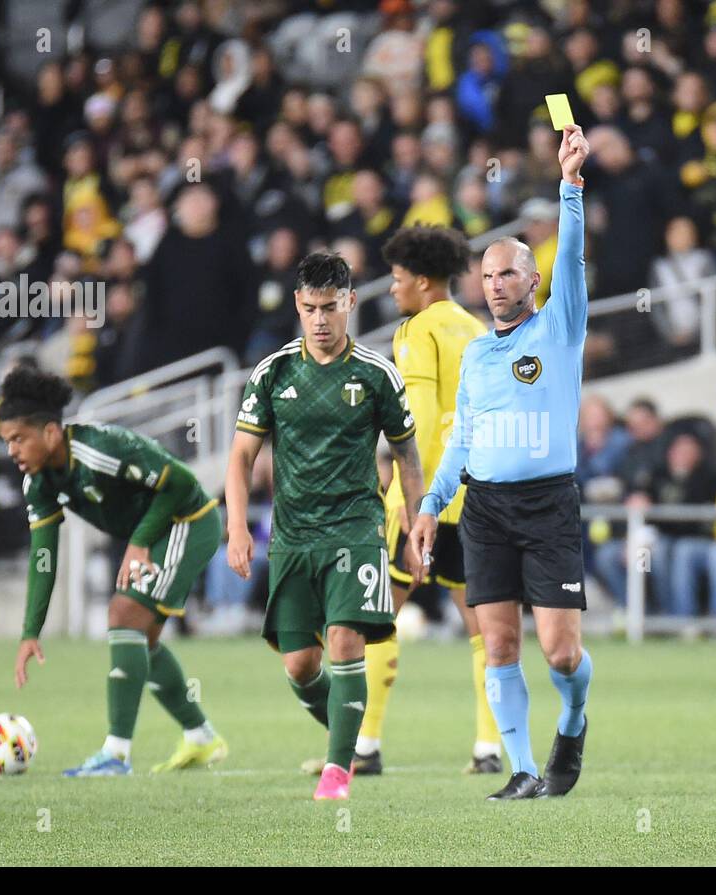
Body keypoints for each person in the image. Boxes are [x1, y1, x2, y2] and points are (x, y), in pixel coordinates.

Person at [409, 124, 593, 801]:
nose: (494, 285)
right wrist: (430, 505)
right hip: (484, 508)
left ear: (533, 278)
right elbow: (462, 439)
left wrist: (569, 185)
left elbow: (571, 256)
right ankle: (521, 770)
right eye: (485, 276)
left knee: (562, 653)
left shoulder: (561, 326)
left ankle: (573, 721)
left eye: (507, 272)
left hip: (548, 507)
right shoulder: (476, 355)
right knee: (499, 646)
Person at [224, 252, 424, 802]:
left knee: (344, 638)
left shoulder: (377, 373)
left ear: (351, 304)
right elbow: (241, 457)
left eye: (330, 307)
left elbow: (407, 456)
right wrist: (237, 528)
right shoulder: (274, 372)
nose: (319, 319)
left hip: (357, 528)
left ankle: (339, 772)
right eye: (310, 308)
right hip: (292, 535)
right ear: (297, 305)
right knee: (300, 666)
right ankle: (345, 722)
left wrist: (417, 518)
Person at [0, 366, 228, 777]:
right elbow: (44, 556)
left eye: (19, 439)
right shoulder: (38, 482)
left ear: (51, 433)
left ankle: (116, 754)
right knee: (144, 638)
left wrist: (139, 541)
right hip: (156, 533)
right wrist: (30, 631)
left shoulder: (100, 447)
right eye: (7, 442)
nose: (12, 451)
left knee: (123, 616)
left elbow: (178, 482)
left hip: (188, 520)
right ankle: (201, 736)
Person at [333, 224, 502, 777]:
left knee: (376, 614)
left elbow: (420, 418)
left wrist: (412, 497)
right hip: (476, 495)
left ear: (424, 282)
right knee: (481, 625)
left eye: (400, 279)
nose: (393, 289)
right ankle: (487, 748)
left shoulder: (416, 330)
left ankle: (366, 745)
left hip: (426, 494)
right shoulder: (477, 329)